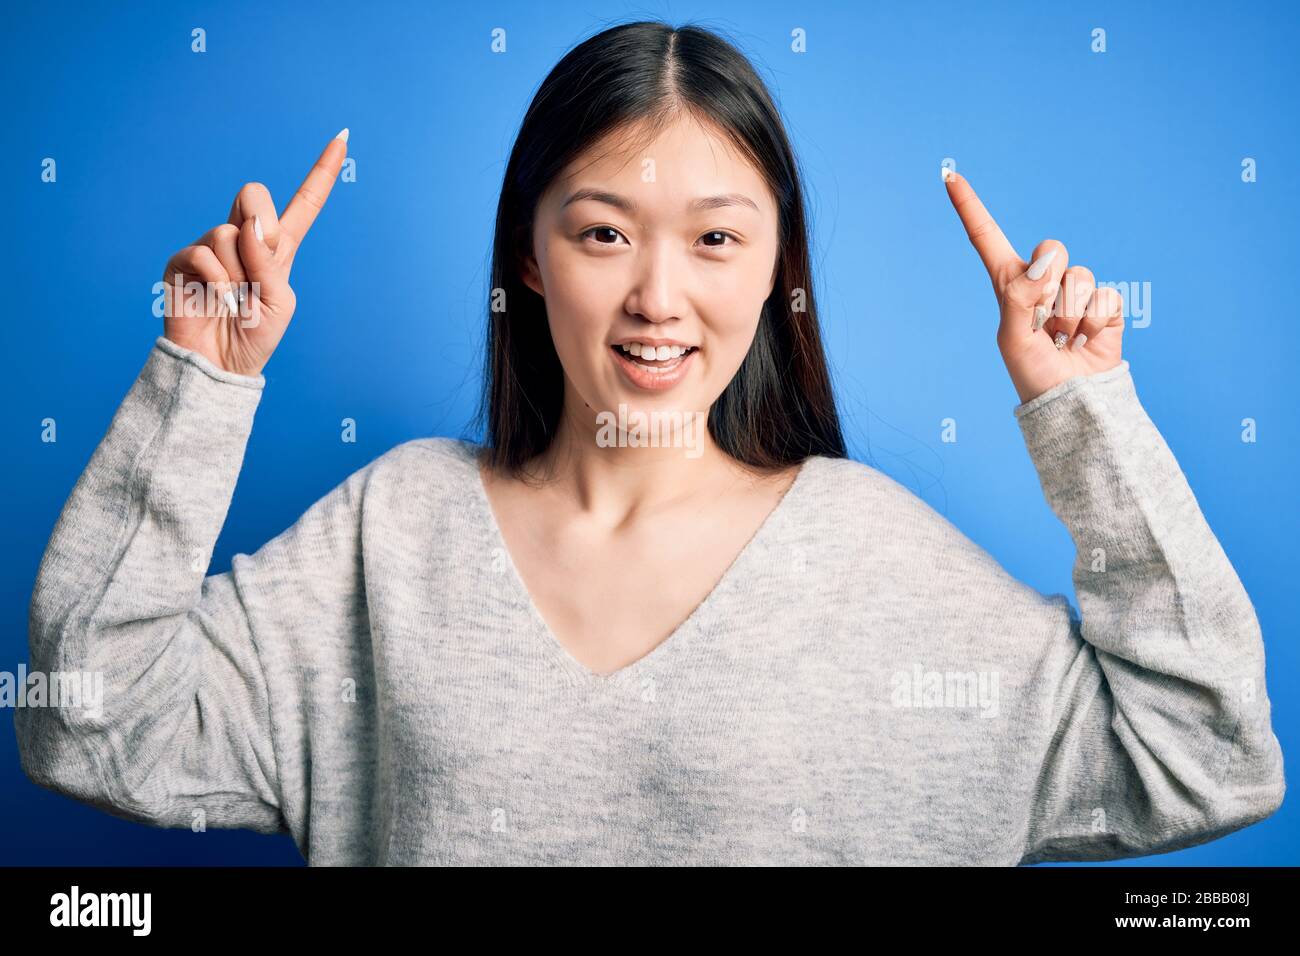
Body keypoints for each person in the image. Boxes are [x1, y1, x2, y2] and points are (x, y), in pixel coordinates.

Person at [17, 20, 1284, 865]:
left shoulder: (872, 558)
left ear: (779, 264)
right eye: (604, 232)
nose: (658, 298)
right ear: (529, 249)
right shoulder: (389, 532)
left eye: (718, 238)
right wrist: (198, 381)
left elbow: (1206, 754)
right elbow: (87, 720)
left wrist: (1086, 414)